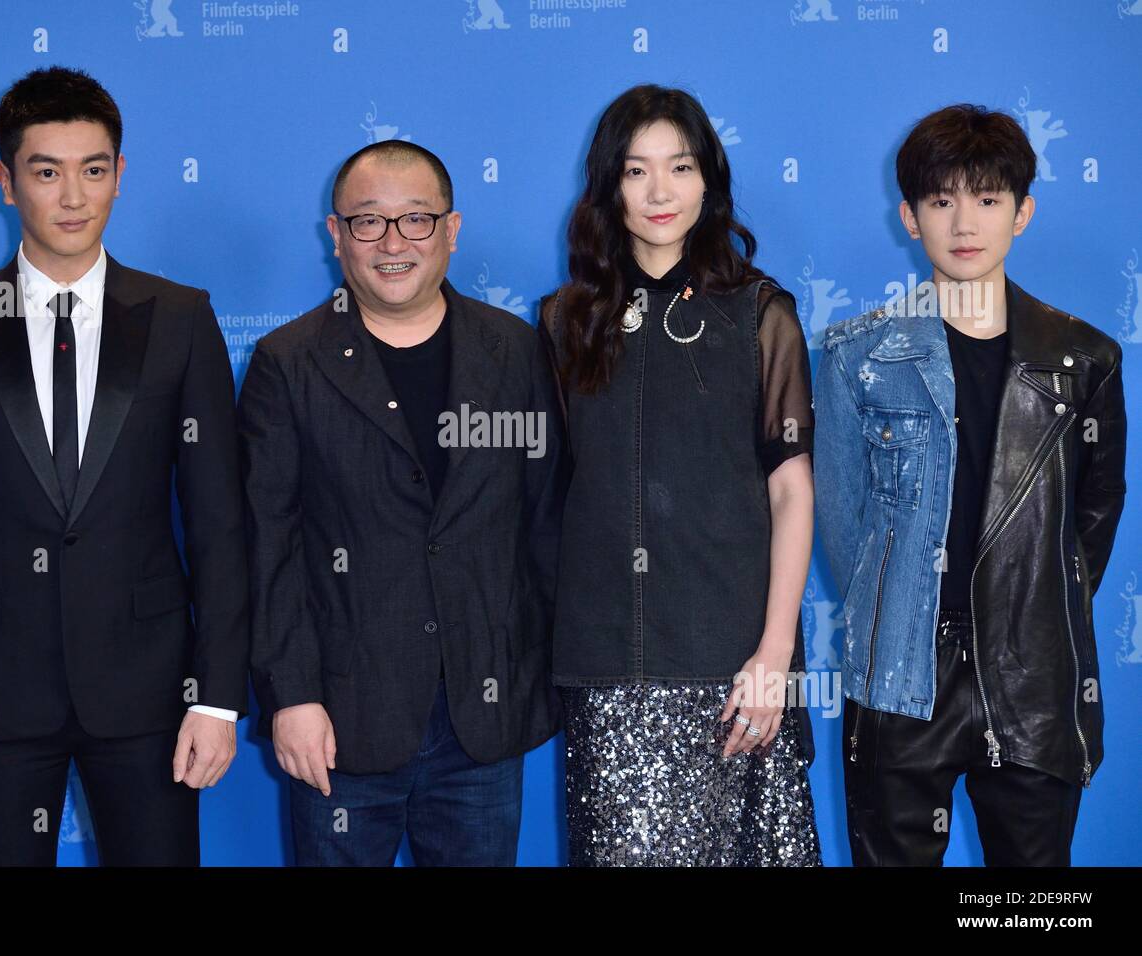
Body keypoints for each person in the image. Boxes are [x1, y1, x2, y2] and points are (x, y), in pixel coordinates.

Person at [0, 66, 249, 866]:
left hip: (153, 695)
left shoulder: (181, 319)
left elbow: (221, 522)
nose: (73, 196)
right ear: (7, 183)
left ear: (120, 176)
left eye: (93, 169)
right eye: (47, 172)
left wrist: (218, 693)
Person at [814, 104, 1127, 866]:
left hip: (1033, 672)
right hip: (900, 668)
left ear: (1022, 213)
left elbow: (1094, 515)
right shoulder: (859, 354)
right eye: (941, 199)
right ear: (909, 216)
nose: (964, 221)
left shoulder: (1084, 359)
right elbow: (843, 521)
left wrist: (1032, 610)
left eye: (987, 199)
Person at [239, 140, 568, 866]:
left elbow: (544, 526)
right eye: (368, 222)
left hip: (482, 719)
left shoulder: (515, 351)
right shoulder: (288, 364)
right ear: (335, 235)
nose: (393, 243)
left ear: (451, 230)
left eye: (416, 220)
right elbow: (268, 547)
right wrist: (291, 697)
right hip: (341, 720)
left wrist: (535, 676)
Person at [538, 84, 821, 866]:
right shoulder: (564, 321)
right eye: (636, 171)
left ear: (709, 180)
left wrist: (773, 654)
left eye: (681, 166)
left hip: (733, 663)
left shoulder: (761, 314)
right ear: (608, 187)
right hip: (607, 663)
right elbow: (551, 495)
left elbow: (792, 489)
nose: (660, 191)